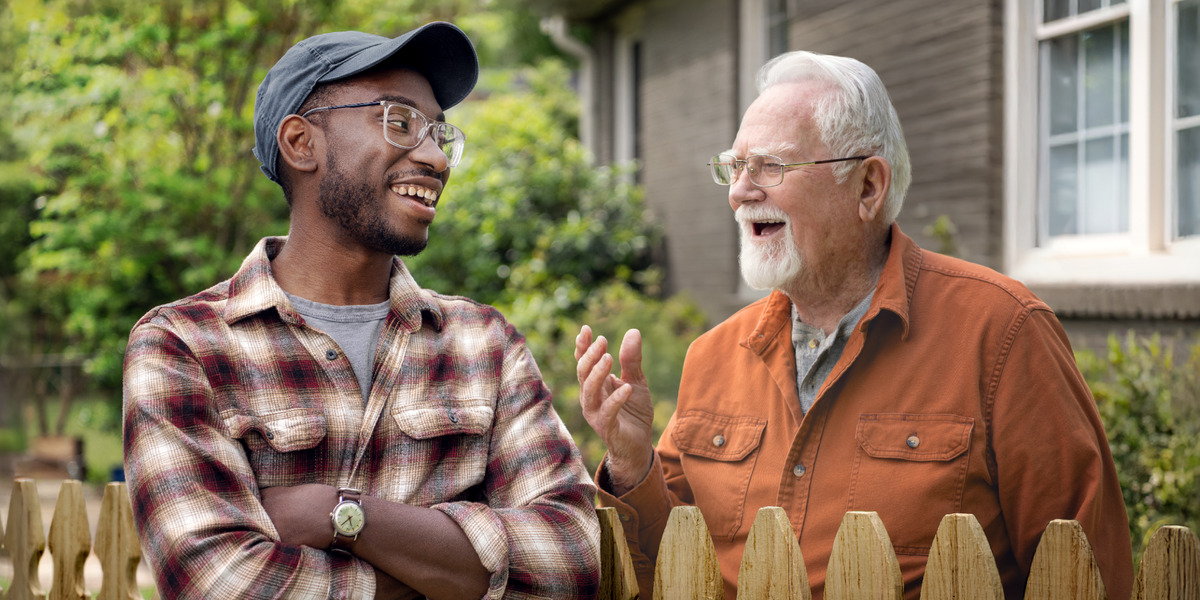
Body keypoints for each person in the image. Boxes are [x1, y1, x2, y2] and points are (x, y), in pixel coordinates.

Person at [575, 50, 1132, 600]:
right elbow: (671, 568)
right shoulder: (713, 356)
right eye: (735, 166)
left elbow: (1084, 572)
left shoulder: (1004, 334)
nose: (741, 191)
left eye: (771, 165)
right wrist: (631, 462)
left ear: (868, 186)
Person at [123, 23, 599, 600]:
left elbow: (573, 555)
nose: (434, 158)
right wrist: (450, 572)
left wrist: (341, 515)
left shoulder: (484, 344)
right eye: (399, 122)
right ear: (302, 143)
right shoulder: (185, 346)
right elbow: (224, 583)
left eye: (440, 135)